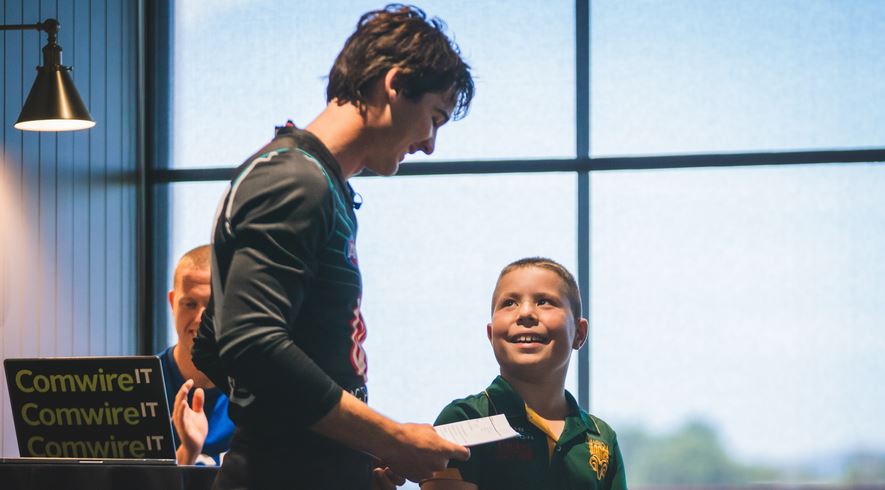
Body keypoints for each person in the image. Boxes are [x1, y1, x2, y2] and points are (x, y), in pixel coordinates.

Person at [191, 4, 475, 489]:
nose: (429, 145)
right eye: (435, 117)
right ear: (395, 83)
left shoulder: (317, 180)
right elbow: (251, 344)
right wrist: (391, 440)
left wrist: (351, 456)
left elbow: (212, 347)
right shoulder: (294, 179)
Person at [422, 258, 627, 490]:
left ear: (579, 333)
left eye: (544, 302)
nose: (526, 313)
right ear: (491, 335)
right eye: (509, 303)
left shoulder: (602, 438)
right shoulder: (464, 419)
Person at [159, 245, 235, 465]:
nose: (201, 318)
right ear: (173, 303)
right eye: (190, 304)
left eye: (212, 307)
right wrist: (189, 452)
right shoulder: (143, 385)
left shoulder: (255, 389)